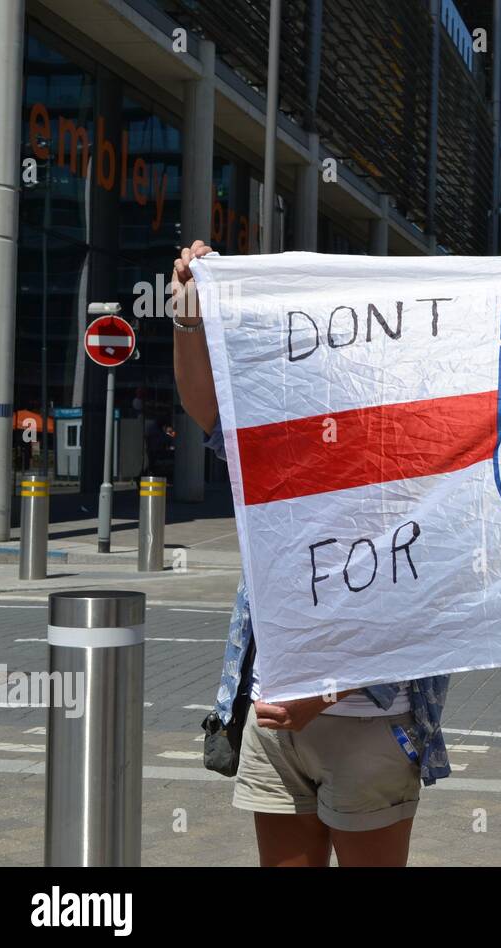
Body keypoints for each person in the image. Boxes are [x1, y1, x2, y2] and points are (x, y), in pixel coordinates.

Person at [172, 239, 450, 867]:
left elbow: (416, 606)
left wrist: (320, 694)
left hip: (368, 720)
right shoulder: (286, 443)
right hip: (273, 723)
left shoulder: (409, 459)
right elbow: (207, 410)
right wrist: (189, 313)